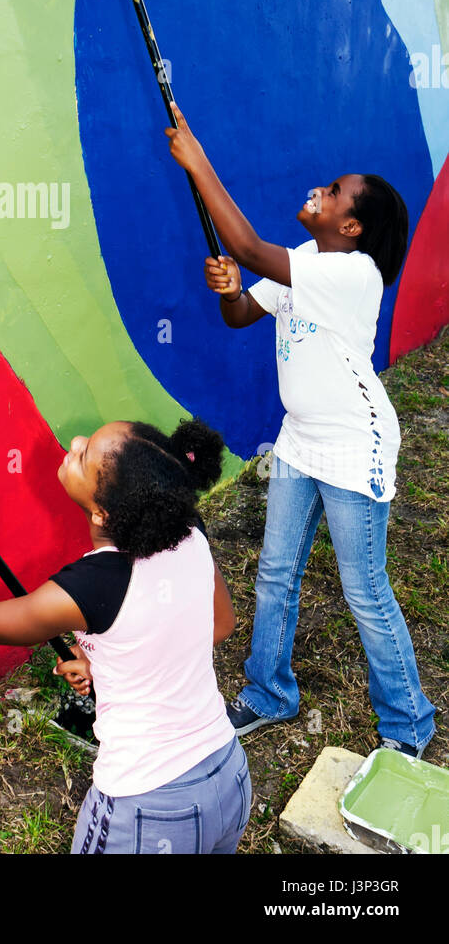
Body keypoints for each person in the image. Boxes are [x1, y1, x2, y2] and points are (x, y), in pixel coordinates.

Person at [165, 103, 436, 758]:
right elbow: (240, 314)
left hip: (352, 446)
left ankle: (408, 726)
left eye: (335, 192)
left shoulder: (349, 273)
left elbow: (253, 247)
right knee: (277, 571)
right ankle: (269, 694)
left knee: (364, 591)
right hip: (300, 439)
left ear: (352, 224)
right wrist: (231, 288)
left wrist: (200, 166)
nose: (320, 189)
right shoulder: (308, 259)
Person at [0, 416, 252, 854]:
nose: (76, 442)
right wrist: (108, 663)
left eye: (84, 456)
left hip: (149, 807)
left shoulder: (94, 584)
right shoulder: (188, 531)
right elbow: (219, 624)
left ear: (102, 512)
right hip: (228, 777)